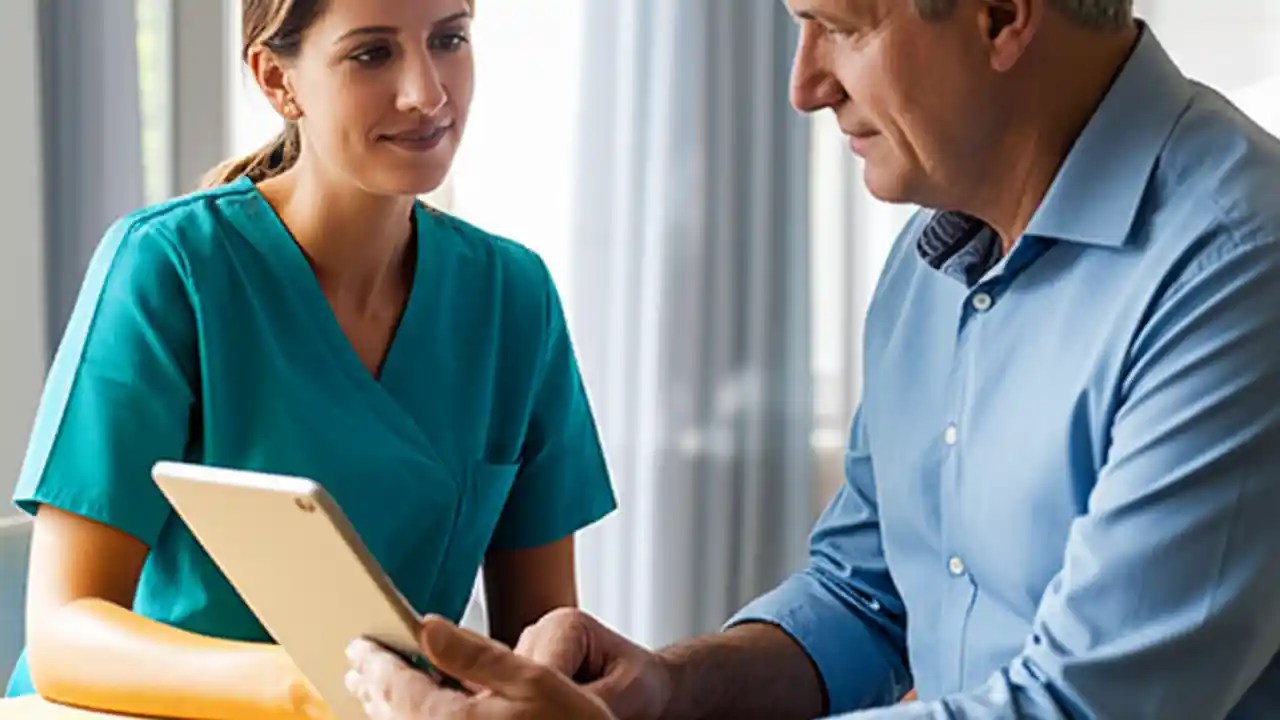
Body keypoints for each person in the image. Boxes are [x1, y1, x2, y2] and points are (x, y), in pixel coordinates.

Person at [346, 0, 1280, 717]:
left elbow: (1085, 707)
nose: (806, 86)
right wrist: (662, 690)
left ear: (1001, 16)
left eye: (838, 26)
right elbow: (864, 596)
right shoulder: (933, 265)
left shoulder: (1239, 264)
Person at [5, 0, 615, 717]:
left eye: (449, 39)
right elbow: (62, 635)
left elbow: (535, 640)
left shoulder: (515, 298)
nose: (427, 92)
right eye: (371, 54)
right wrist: (324, 688)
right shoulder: (170, 269)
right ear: (276, 80)